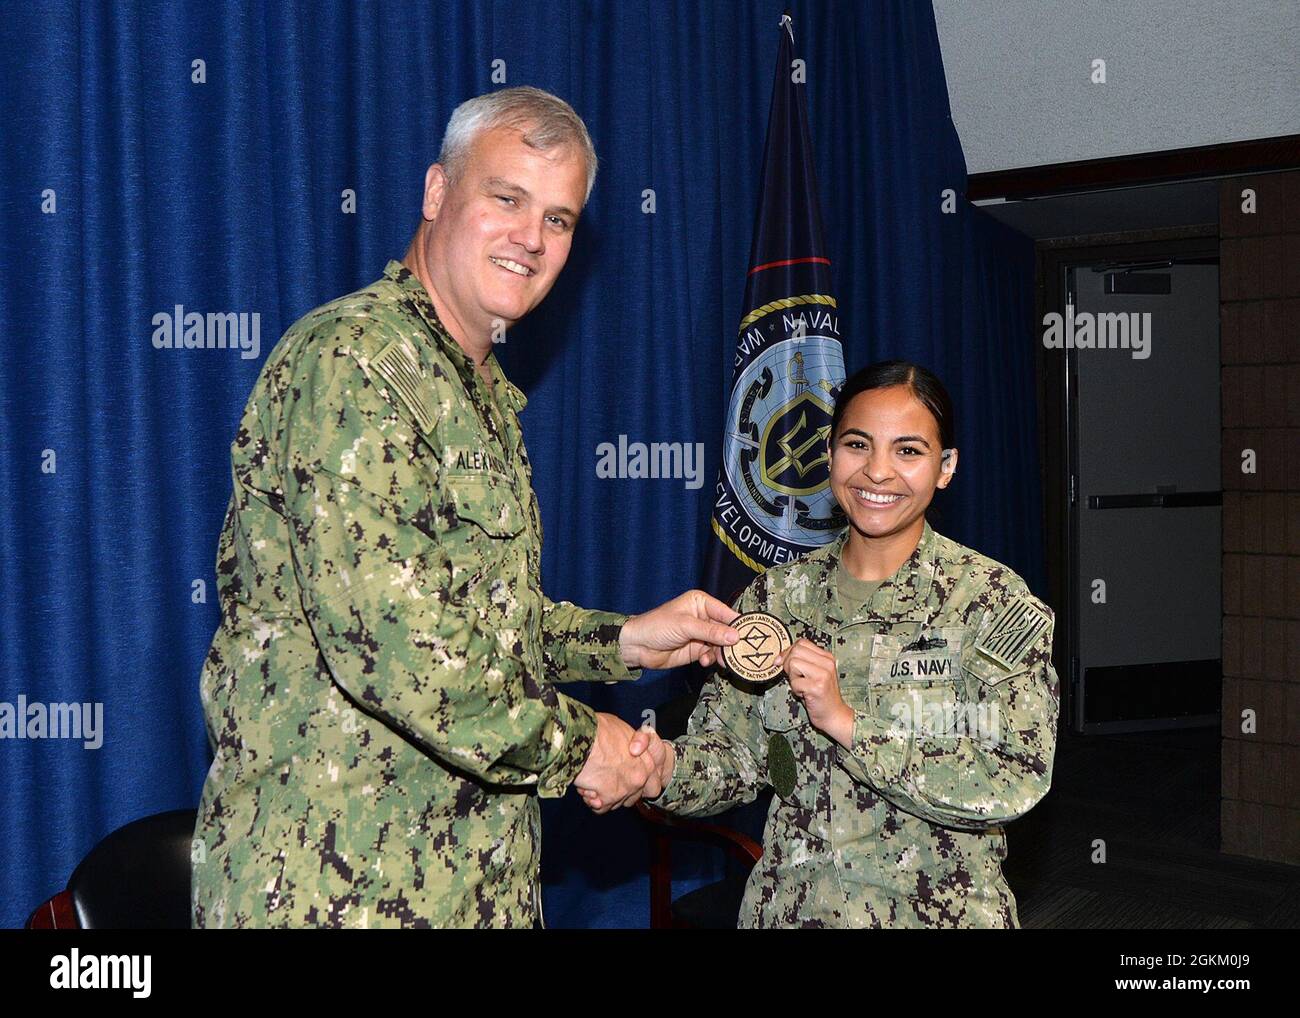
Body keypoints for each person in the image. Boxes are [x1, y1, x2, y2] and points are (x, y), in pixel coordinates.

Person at [191, 86, 739, 928]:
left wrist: (622, 640)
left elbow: (483, 622)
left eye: (558, 219)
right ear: (437, 193)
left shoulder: (477, 387)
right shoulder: (356, 364)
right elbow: (396, 649)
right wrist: (582, 745)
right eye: (507, 198)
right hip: (336, 890)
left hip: (466, 887)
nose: (532, 237)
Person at [585, 360, 1059, 928]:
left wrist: (847, 723)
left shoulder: (991, 602)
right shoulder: (775, 597)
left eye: (908, 451)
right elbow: (733, 755)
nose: (877, 472)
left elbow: (1014, 775)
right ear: (829, 455)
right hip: (792, 910)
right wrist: (663, 771)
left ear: (946, 467)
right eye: (857, 445)